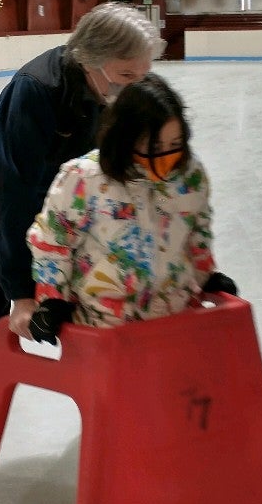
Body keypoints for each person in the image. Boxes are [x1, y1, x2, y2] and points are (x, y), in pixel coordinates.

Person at [0, 3, 163, 480]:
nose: (133, 86)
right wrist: (19, 291)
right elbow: (10, 192)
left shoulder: (123, 90)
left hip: (73, 187)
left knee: (107, 294)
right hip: (4, 180)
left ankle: (120, 415)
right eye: (124, 74)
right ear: (91, 60)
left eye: (142, 75)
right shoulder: (37, 89)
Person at [25, 73, 236, 344]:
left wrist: (206, 275)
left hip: (175, 318)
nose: (167, 158)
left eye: (175, 145)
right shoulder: (84, 179)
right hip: (106, 327)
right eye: (155, 146)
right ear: (127, 137)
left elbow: (198, 231)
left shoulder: (189, 176)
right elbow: (52, 240)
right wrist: (52, 299)